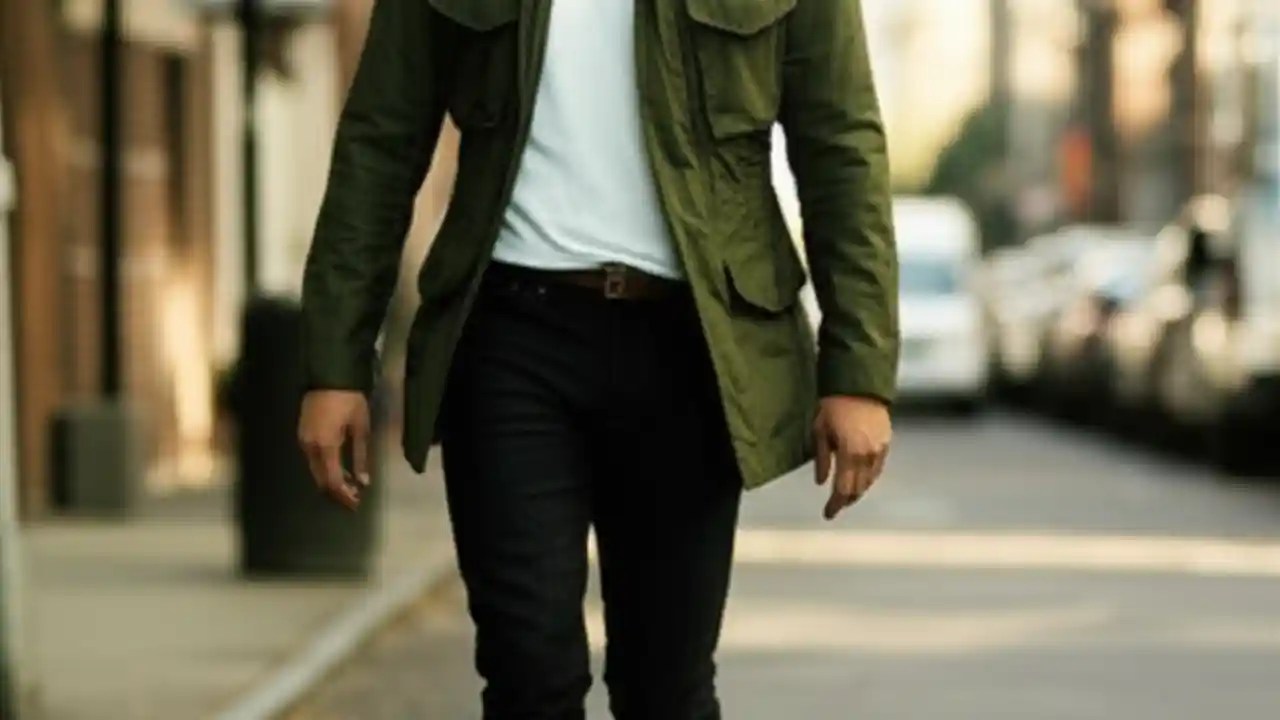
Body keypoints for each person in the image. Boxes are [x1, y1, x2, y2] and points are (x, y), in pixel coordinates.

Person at [297, 0, 899, 717]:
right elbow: (382, 139)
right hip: (511, 337)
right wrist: (336, 362)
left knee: (664, 684)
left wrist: (858, 371)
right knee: (527, 673)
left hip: (692, 344)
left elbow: (840, 144)